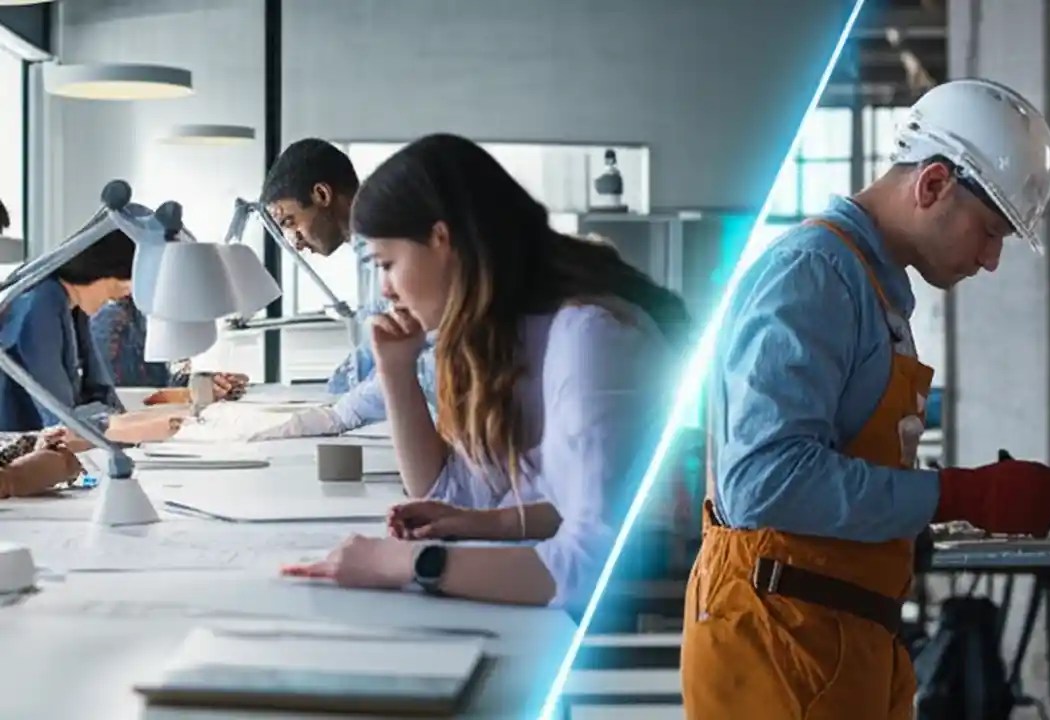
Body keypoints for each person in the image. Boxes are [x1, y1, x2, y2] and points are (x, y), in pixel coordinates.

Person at [680, 78, 1050, 720]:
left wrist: (933, 510)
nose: (992, 259)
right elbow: (761, 480)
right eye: (990, 230)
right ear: (934, 185)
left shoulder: (871, 287)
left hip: (839, 632)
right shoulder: (815, 274)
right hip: (781, 643)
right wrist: (957, 495)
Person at [280, 133, 689, 611]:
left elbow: (593, 564)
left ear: (441, 239)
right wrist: (396, 370)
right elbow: (450, 490)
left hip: (631, 618)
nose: (387, 290)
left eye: (388, 264)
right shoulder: (503, 339)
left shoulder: (589, 336)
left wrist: (409, 563)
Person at [248, 138, 436, 439]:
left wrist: (341, 413)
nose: (295, 241)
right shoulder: (367, 251)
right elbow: (373, 352)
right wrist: (328, 398)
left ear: (322, 194)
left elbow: (431, 360)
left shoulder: (396, 243)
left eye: (290, 221)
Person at [0, 229, 133, 432]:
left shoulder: (70, 307)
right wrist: (128, 427)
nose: (123, 295)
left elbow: (100, 391)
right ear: (102, 269)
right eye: (118, 288)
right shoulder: (39, 303)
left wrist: (130, 421)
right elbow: (59, 416)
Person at [89, 295, 248, 400]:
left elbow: (167, 381)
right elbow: (121, 400)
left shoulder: (147, 315)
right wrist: (189, 395)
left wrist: (209, 384)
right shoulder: (110, 320)